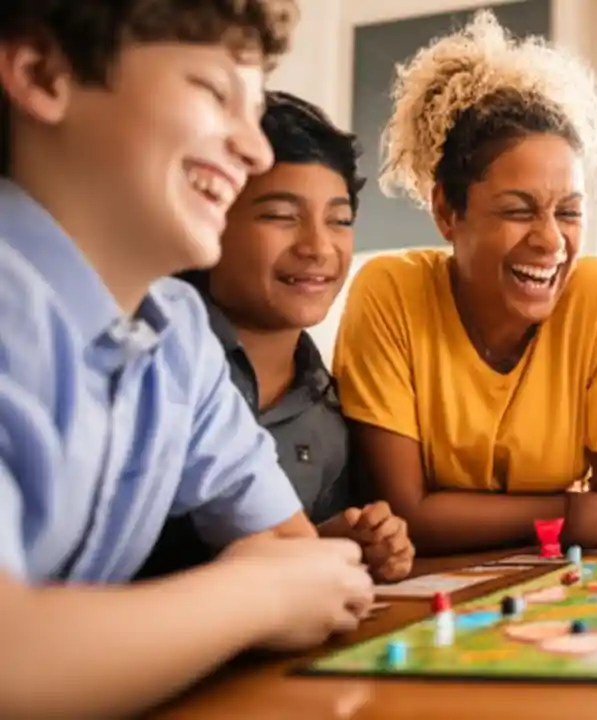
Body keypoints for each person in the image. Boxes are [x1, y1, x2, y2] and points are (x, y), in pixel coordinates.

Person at [0, 3, 375, 716]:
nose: (254, 148)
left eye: (256, 104)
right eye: (212, 91)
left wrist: (273, 584)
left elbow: (303, 561)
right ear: (43, 72)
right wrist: (253, 594)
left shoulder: (176, 336)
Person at [332, 11, 597, 555]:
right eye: (519, 210)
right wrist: (567, 511)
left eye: (568, 211)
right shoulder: (389, 293)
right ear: (448, 211)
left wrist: (460, 512)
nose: (551, 241)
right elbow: (406, 514)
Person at [140, 91, 414, 583]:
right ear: (210, 217)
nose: (317, 246)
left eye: (339, 221)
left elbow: (281, 553)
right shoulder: (151, 351)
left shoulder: (330, 413)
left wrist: (340, 543)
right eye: (281, 217)